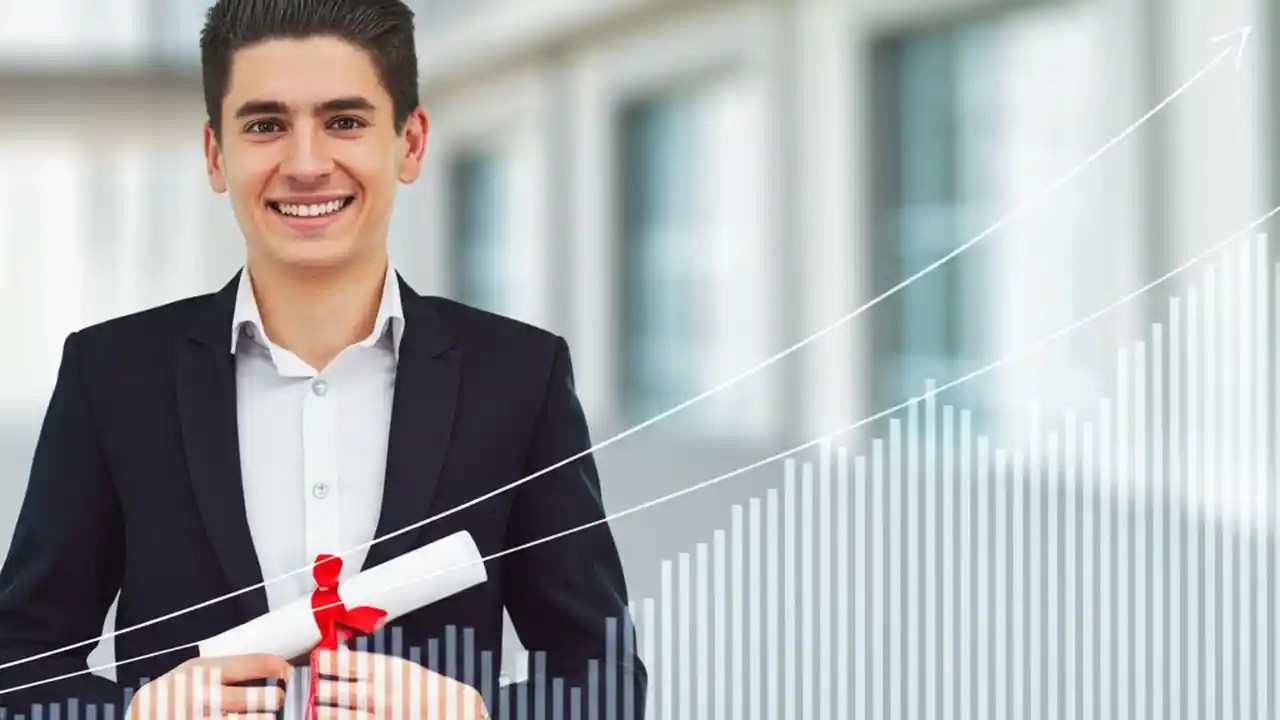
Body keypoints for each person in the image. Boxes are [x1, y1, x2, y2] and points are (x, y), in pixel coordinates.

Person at [0, 1, 645, 718]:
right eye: (266, 125)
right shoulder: (113, 376)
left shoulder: (519, 376)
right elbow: (16, 666)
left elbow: (607, 684)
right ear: (217, 154)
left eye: (345, 121)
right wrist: (133, 713)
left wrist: (474, 713)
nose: (306, 164)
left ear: (411, 142)